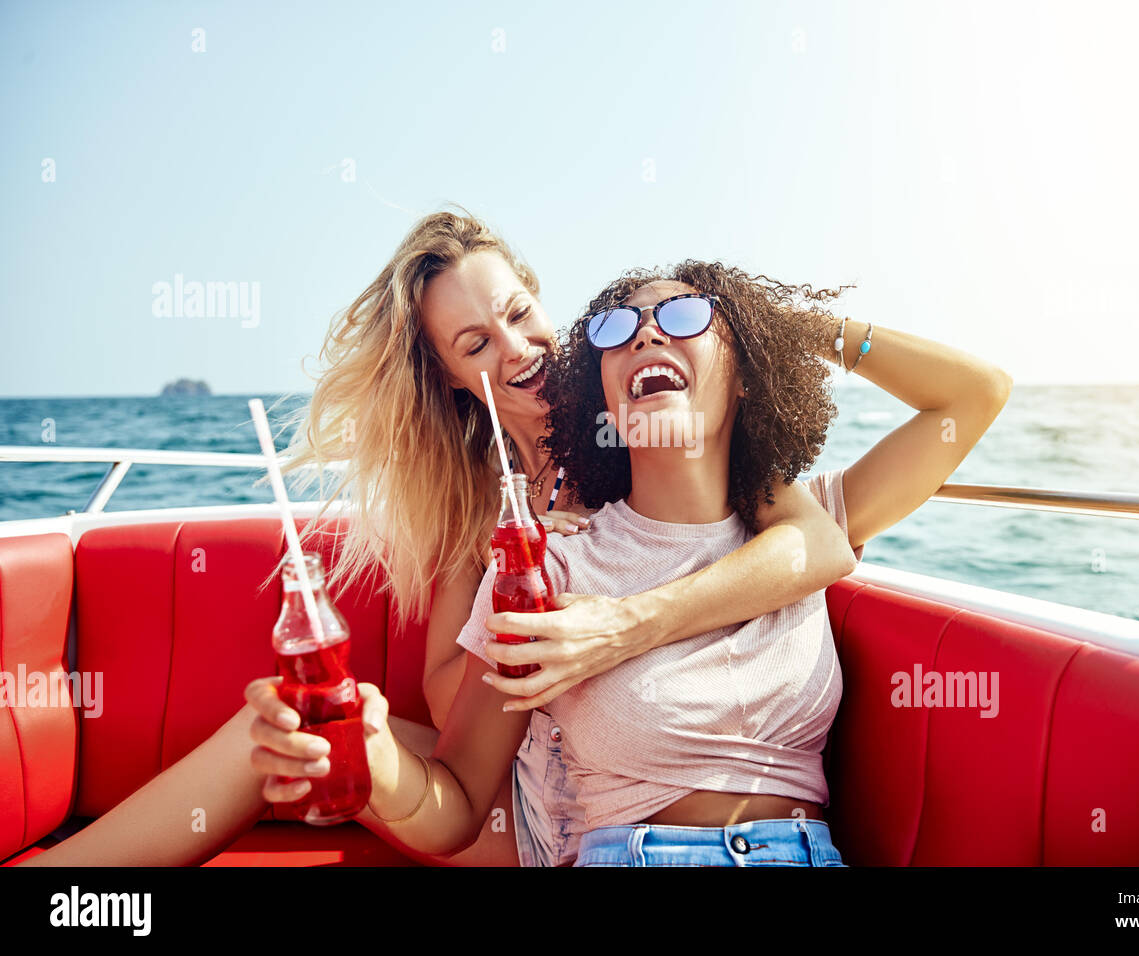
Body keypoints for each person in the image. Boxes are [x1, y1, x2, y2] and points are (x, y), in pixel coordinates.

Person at [18, 211, 859, 867]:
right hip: (529, 781)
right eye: (475, 344)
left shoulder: (648, 435)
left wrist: (616, 623)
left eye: (520, 313)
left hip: (619, 751)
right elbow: (449, 698)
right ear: (454, 381)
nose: (518, 347)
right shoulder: (483, 512)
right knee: (286, 730)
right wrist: (527, 596)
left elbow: (811, 542)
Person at [247, 260, 1012, 867]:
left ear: (742, 370)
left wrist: (789, 324)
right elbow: (453, 806)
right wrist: (376, 757)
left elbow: (974, 397)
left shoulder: (810, 521)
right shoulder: (549, 567)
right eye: (619, 329)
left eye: (683, 316)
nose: (647, 336)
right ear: (602, 402)